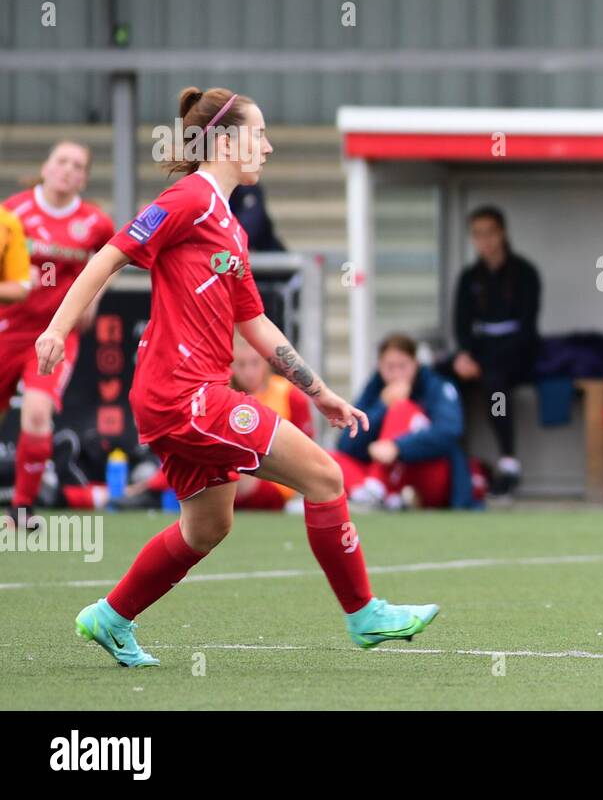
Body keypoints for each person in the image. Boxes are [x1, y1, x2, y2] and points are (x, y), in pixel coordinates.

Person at [36, 86, 438, 667]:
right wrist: (56, 328)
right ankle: (364, 614)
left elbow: (255, 324)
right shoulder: (188, 198)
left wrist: (320, 393)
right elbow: (108, 256)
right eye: (260, 135)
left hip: (188, 394)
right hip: (185, 395)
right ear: (225, 141)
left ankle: (111, 616)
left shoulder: (231, 227)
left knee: (206, 527)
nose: (268, 147)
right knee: (325, 477)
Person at [1, 141, 115, 530]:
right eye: (62, 161)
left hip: (53, 334)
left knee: (36, 413)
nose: (68, 170)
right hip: (8, 328)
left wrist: (94, 299)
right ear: (46, 166)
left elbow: (112, 258)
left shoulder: (95, 222)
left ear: (83, 177)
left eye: (77, 165)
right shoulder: (13, 211)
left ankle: (21, 509)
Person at [440, 205, 540, 495]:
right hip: (477, 351)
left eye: (490, 233)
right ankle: (447, 458)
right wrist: (464, 356)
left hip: (515, 353)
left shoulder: (524, 273)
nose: (484, 241)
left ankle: (508, 462)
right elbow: (461, 324)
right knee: (439, 376)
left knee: (495, 383)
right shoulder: (470, 277)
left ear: (502, 233)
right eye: (477, 234)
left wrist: (483, 363)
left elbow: (527, 330)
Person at [336, 332, 477, 510]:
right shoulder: (374, 389)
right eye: (390, 367)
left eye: (402, 366)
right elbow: (346, 444)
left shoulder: (438, 386)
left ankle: (377, 489)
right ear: (380, 366)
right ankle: (381, 496)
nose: (396, 374)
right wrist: (382, 406)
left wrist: (398, 447)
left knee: (402, 409)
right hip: (392, 476)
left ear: (415, 365)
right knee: (332, 459)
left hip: (431, 473)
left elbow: (449, 431)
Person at [229, 334, 313, 511]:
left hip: (276, 481)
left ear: (266, 362)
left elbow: (305, 449)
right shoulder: (225, 395)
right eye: (241, 365)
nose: (249, 373)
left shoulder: (289, 394)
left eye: (255, 363)